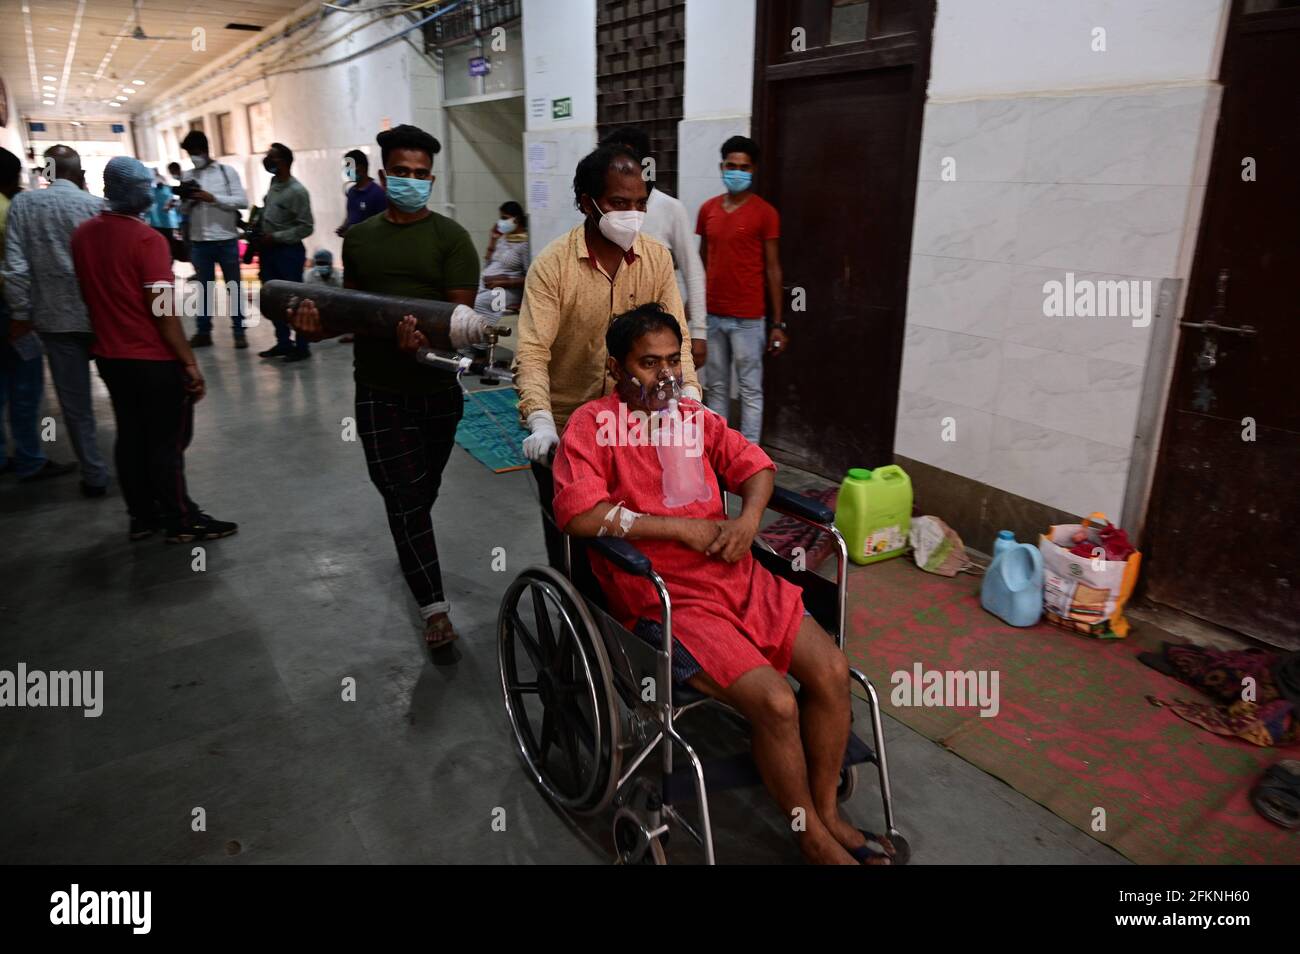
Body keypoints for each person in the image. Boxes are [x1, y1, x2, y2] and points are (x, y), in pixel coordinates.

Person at [553, 304, 900, 865]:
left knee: (833, 672)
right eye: (648, 363)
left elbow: (755, 466)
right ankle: (809, 834)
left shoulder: (692, 418)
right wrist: (677, 529)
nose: (664, 376)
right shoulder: (592, 427)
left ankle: (830, 813)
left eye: (672, 361)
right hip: (663, 594)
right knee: (777, 702)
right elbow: (579, 514)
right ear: (617, 369)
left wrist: (747, 520)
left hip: (736, 573)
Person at [289, 124, 479, 654]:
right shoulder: (363, 239)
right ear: (383, 173)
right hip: (377, 389)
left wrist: (423, 342)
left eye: (421, 175)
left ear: (432, 179)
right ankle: (434, 607)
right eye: (402, 172)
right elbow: (352, 314)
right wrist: (317, 326)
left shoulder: (452, 240)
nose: (411, 181)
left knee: (419, 492)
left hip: (438, 388)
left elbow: (458, 323)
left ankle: (411, 544)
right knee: (402, 496)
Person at [513, 143, 700, 574]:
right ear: (587, 203)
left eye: (640, 204)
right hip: (567, 429)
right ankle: (576, 623)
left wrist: (688, 392)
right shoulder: (553, 267)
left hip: (633, 425)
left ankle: (625, 626)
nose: (632, 214)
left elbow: (679, 338)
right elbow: (533, 350)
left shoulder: (655, 258)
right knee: (574, 544)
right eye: (619, 203)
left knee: (629, 539)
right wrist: (540, 420)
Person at [70, 157, 237, 543]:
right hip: (151, 360)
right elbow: (162, 313)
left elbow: (87, 294)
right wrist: (190, 363)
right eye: (146, 184)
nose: (151, 190)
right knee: (167, 442)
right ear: (134, 190)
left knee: (131, 437)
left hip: (110, 357)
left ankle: (142, 516)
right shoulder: (147, 240)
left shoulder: (83, 235)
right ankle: (181, 519)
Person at [1, 144, 109, 494]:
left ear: (45, 173)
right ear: (80, 174)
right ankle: (140, 468)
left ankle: (94, 476)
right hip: (102, 317)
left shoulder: (23, 205)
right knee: (126, 395)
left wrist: (20, 313)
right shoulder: (95, 206)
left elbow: (15, 268)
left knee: (75, 404)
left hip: (54, 319)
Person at [696, 135, 786, 444]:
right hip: (712, 315)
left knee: (750, 389)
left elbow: (774, 269)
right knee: (717, 387)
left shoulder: (765, 213)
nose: (737, 172)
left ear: (753, 170)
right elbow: (701, 260)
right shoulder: (707, 210)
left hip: (749, 318)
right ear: (722, 167)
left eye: (744, 167)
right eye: (731, 166)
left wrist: (777, 323)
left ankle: (749, 454)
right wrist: (694, 303)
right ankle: (719, 450)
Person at [598, 126, 707, 370]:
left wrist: (699, 331)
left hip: (658, 334)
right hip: (611, 329)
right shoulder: (602, 208)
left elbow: (693, 271)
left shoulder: (669, 208)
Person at [0, 147, 67, 482]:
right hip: (11, 312)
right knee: (26, 389)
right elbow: (15, 269)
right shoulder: (8, 210)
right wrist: (22, 313)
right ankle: (31, 459)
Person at [178, 130, 248, 349]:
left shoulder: (227, 172)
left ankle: (239, 331)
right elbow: (182, 209)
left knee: (234, 287)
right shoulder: (188, 176)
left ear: (206, 150)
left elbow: (242, 201)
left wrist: (212, 198)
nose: (193, 157)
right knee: (203, 289)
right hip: (200, 241)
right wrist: (189, 202)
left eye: (196, 152)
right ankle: (203, 331)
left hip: (226, 239)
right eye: (190, 153)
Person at [256, 142, 315, 363]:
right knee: (273, 299)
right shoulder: (274, 184)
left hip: (288, 253)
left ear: (285, 162)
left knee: (293, 299)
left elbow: (306, 226)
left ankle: (302, 345)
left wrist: (277, 237)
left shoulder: (297, 191)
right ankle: (283, 342)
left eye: (272, 157)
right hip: (268, 252)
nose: (267, 160)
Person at [473, 200, 529, 320]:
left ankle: (486, 332)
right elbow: (488, 265)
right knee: (466, 298)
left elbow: (531, 277)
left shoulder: (525, 244)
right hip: (488, 284)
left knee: (478, 302)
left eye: (505, 218)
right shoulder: (503, 238)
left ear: (516, 219)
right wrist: (492, 240)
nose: (501, 222)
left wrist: (504, 283)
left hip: (509, 290)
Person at [335, 149, 387, 235]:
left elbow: (382, 226)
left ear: (361, 168)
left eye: (349, 167)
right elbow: (350, 215)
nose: (347, 171)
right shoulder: (351, 191)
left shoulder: (378, 193)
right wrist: (344, 226)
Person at [147, 169, 180, 260]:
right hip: (156, 224)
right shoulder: (150, 191)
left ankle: (169, 263)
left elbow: (176, 200)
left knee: (170, 247)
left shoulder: (169, 188)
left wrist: (171, 204)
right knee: (161, 247)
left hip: (168, 224)